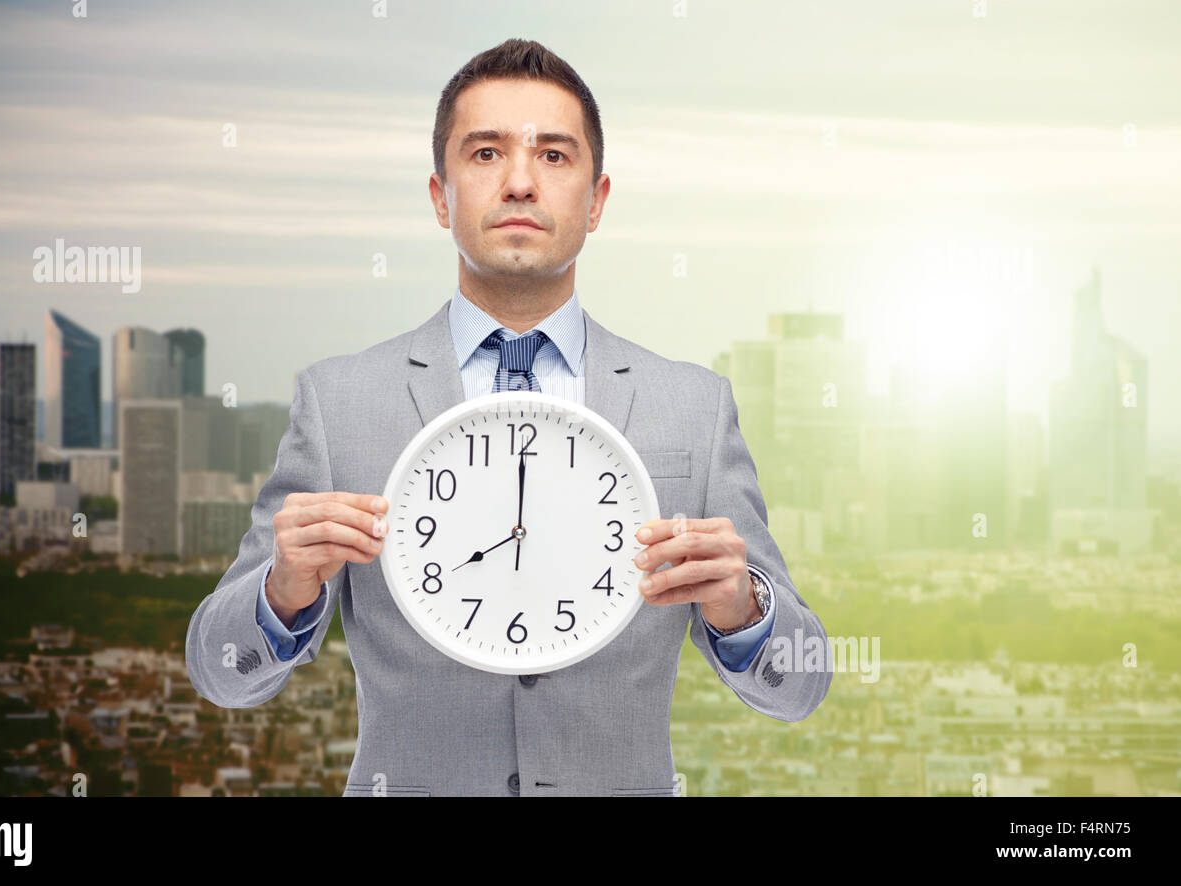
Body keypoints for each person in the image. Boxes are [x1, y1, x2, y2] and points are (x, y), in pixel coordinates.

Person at [186, 37, 832, 796]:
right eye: (486, 153)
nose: (520, 182)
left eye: (554, 156)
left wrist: (742, 607)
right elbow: (220, 674)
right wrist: (282, 590)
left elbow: (800, 686)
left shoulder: (693, 406)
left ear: (596, 201)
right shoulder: (339, 401)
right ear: (441, 196)